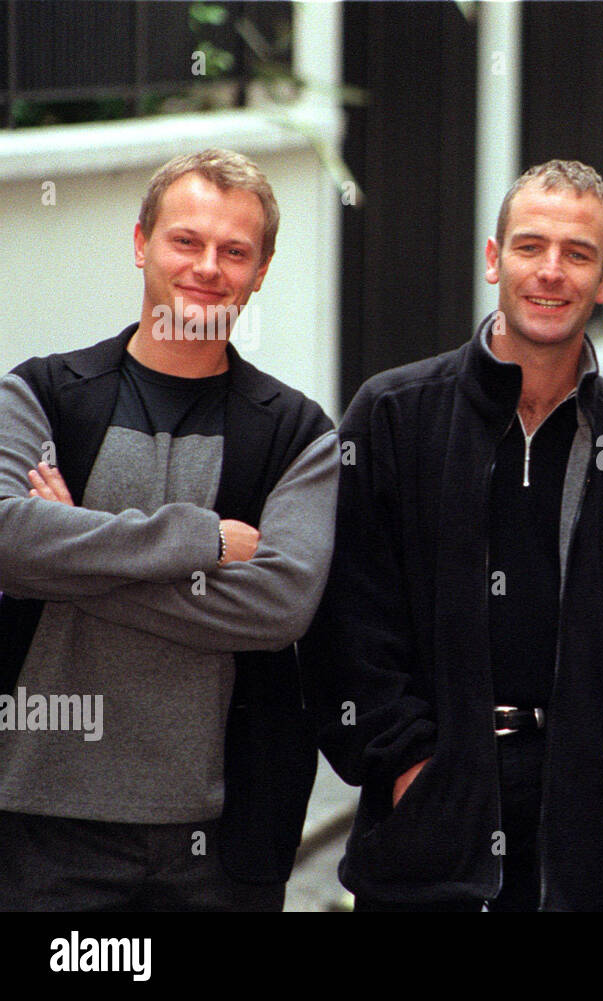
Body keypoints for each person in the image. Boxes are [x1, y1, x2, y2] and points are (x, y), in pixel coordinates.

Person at [302, 159, 603, 911]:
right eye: (531, 246)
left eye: (578, 253)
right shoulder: (394, 414)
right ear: (494, 258)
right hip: (426, 831)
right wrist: (408, 764)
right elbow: (347, 615)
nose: (551, 272)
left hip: (580, 848)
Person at [0, 148, 339, 911]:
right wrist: (202, 540)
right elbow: (6, 542)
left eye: (234, 250)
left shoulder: (297, 434)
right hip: (39, 825)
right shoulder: (43, 394)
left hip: (223, 837)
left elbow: (279, 606)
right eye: (186, 240)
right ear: (140, 242)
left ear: (262, 269)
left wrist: (72, 550)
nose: (208, 266)